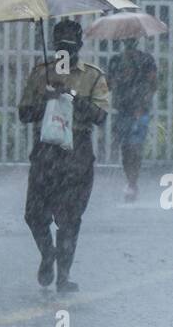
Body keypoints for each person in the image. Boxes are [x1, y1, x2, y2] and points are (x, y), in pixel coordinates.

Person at [18, 18, 110, 292]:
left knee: (70, 219)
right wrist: (45, 99)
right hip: (46, 150)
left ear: (80, 46)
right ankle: (48, 253)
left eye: (70, 47)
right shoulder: (40, 74)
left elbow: (100, 116)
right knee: (34, 214)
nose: (65, 52)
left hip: (76, 153)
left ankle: (63, 275)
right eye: (60, 46)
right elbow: (24, 113)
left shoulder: (93, 76)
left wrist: (71, 97)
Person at [107, 37, 158, 201]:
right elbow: (108, 84)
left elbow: (153, 83)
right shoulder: (116, 61)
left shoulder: (146, 60)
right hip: (123, 110)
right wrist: (117, 79)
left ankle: (132, 182)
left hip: (139, 111)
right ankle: (131, 181)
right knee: (126, 148)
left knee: (135, 146)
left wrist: (143, 103)